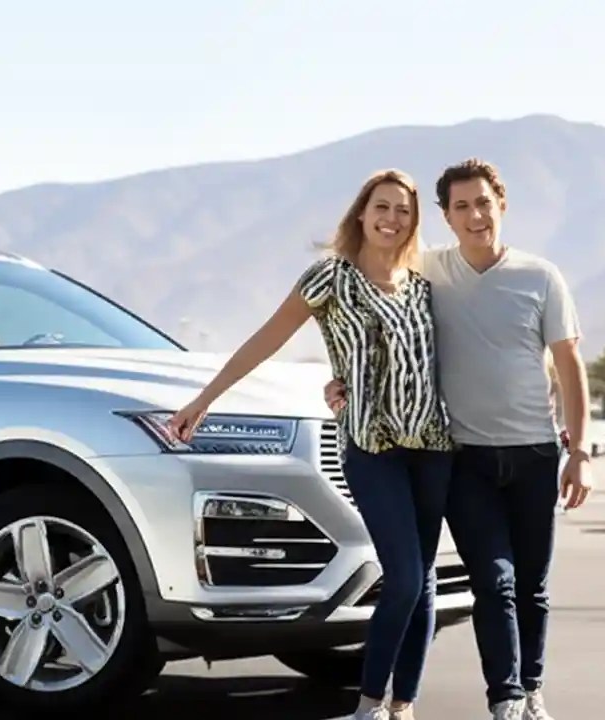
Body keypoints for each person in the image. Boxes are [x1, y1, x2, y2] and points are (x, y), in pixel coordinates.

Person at [168, 168, 456, 720]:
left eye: (403, 211)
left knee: (424, 584)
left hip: (434, 446)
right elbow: (268, 338)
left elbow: (453, 360)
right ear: (361, 213)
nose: (392, 219)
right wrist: (203, 400)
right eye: (382, 206)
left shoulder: (424, 287)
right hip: (371, 448)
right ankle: (369, 705)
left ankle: (404, 706)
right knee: (402, 578)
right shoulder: (330, 277)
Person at [325, 158, 592, 720]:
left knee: (532, 588)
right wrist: (345, 376)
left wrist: (580, 454)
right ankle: (506, 699)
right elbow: (375, 313)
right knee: (494, 582)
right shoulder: (428, 270)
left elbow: (570, 366)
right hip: (464, 456)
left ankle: (532, 687)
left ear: (502, 205)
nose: (476, 215)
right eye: (462, 206)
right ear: (445, 216)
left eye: (484, 204)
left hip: (537, 454)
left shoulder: (541, 277)